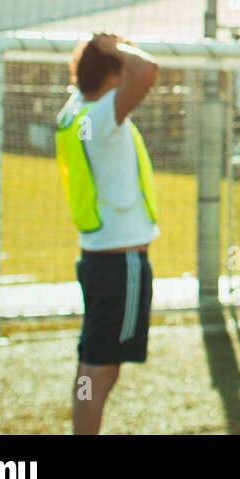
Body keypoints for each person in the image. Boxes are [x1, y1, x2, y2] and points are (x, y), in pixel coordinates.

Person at [55, 32, 159, 435]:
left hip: (98, 259)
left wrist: (101, 52)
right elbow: (147, 70)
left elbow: (138, 72)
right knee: (100, 372)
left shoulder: (74, 112)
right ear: (114, 74)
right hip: (120, 264)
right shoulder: (99, 116)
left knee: (92, 365)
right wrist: (112, 47)